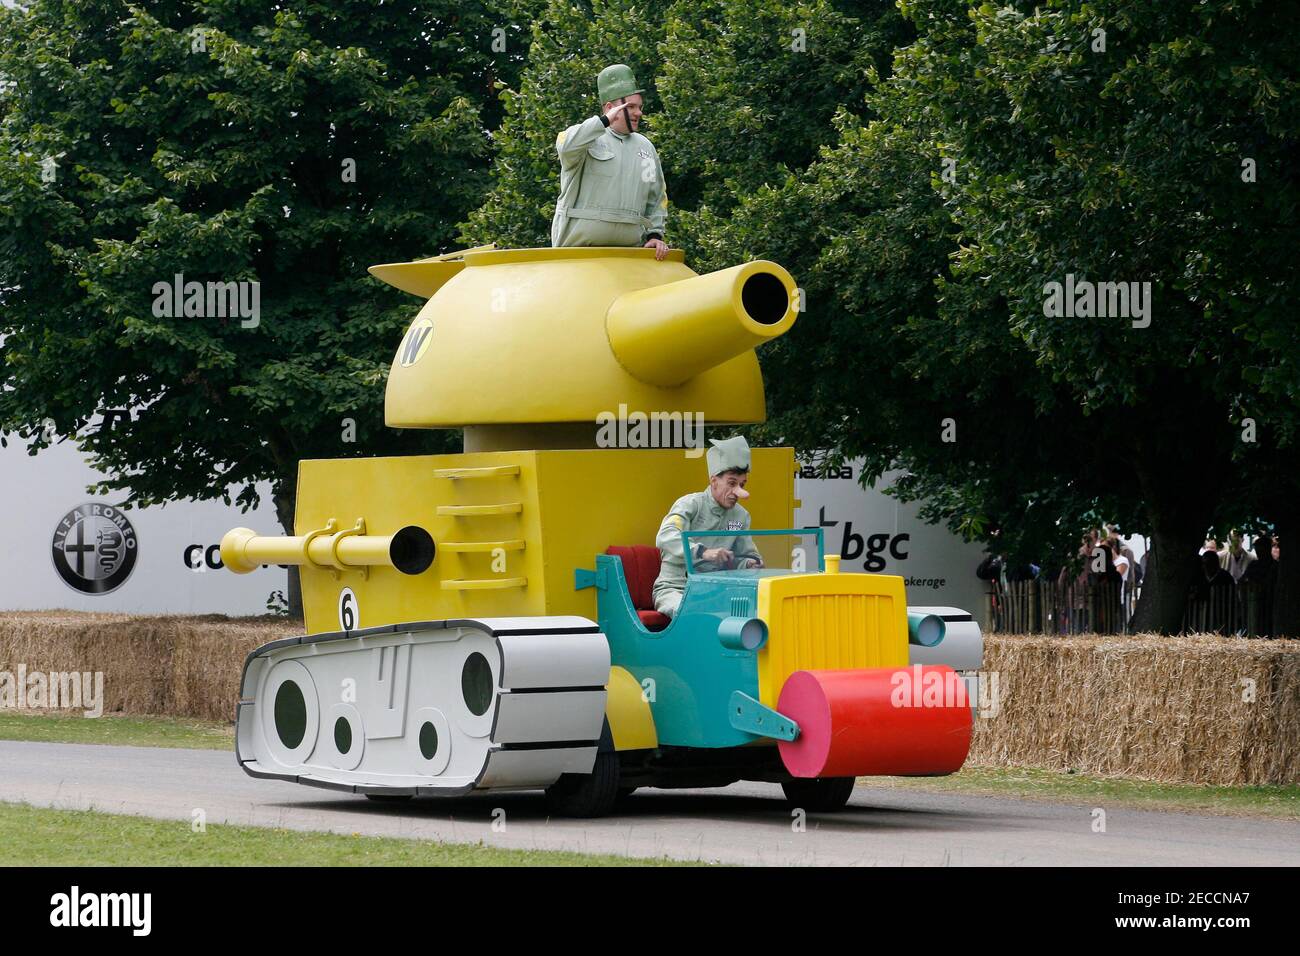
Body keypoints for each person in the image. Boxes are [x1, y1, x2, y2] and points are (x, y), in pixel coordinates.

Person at [551, 64, 669, 258]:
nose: (638, 113)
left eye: (639, 107)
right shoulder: (586, 138)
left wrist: (655, 234)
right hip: (575, 256)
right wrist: (603, 122)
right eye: (630, 107)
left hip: (626, 257)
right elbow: (566, 147)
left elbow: (656, 197)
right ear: (609, 108)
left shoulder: (646, 148)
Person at [651, 436, 762, 619]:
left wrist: (750, 563)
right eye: (732, 483)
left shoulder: (741, 516)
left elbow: (743, 557)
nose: (739, 492)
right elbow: (666, 536)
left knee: (758, 612)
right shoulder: (690, 504)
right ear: (714, 481)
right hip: (677, 589)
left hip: (716, 592)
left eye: (742, 485)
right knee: (692, 615)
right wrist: (702, 551)